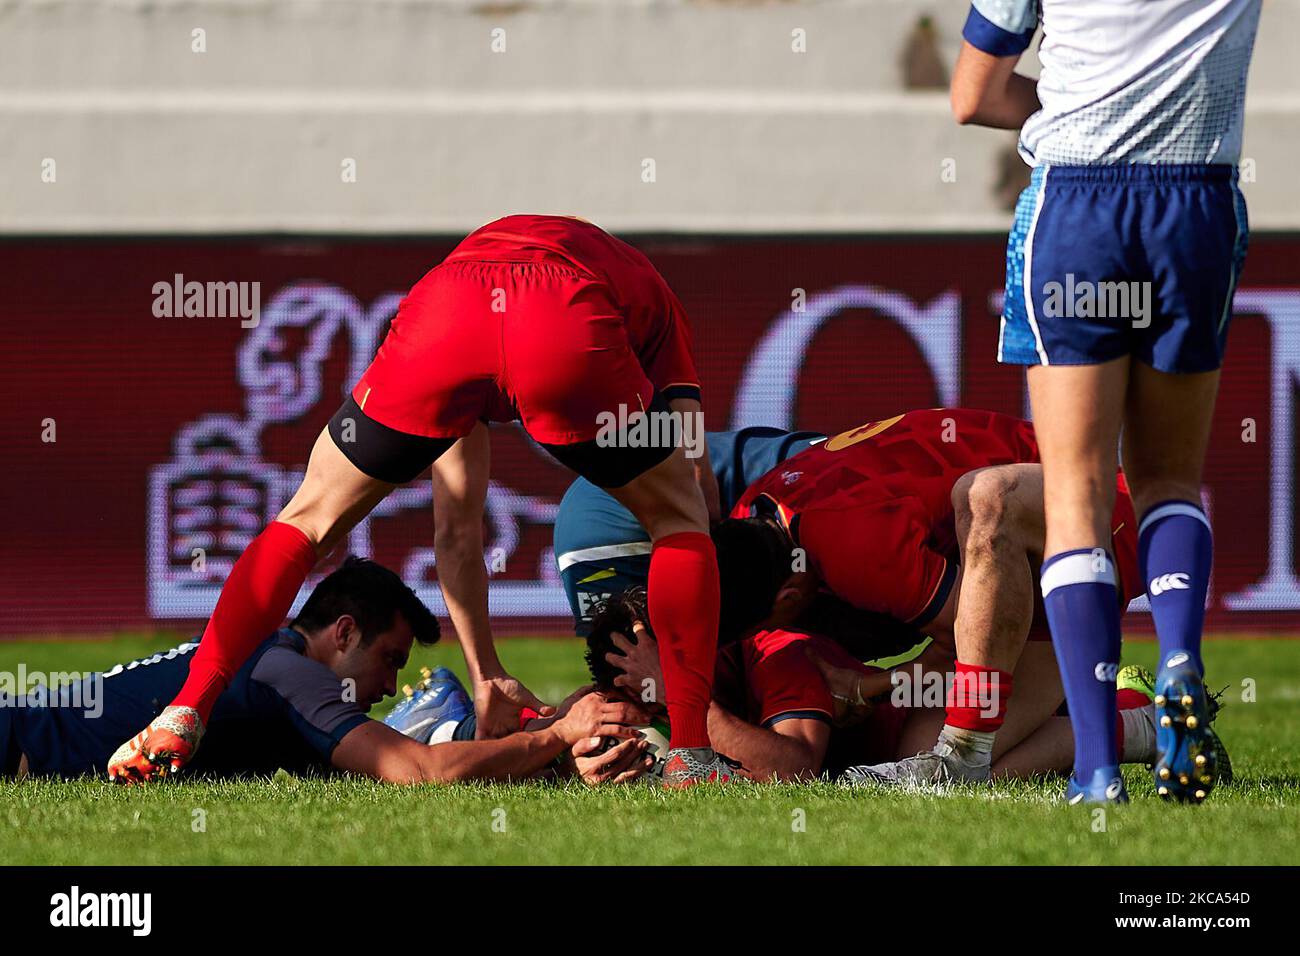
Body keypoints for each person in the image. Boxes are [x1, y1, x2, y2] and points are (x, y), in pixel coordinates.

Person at [109, 214, 731, 789]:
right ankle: (693, 754)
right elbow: (694, 476)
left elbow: (459, 533)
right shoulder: (655, 300)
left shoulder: (479, 279)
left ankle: (187, 708)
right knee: (679, 518)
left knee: (307, 518)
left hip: (449, 306)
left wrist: (485, 672)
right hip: (562, 307)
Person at [952, 0, 1261, 802]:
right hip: (1196, 199)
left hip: (1079, 205)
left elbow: (974, 94)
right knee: (1169, 481)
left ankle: (1095, 768)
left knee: (1075, 497)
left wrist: (1082, 102)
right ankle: (1181, 664)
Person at [710, 409, 1143, 789]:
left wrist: (868, 687)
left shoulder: (848, 545)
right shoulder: (754, 515)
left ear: (787, 596)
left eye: (762, 625)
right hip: (1032, 553)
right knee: (919, 755)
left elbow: (977, 637)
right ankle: (1135, 717)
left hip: (1097, 514)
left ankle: (1132, 726)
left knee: (963, 760)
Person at [6, 558, 640, 783]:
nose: (392, 685)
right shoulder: (291, 672)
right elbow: (419, 773)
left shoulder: (267, 653)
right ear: (343, 633)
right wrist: (555, 737)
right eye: (390, 659)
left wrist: (542, 750)